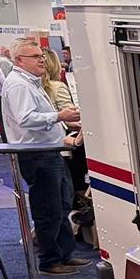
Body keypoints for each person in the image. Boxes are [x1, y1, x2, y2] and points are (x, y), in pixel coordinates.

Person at [0, 36, 87, 275]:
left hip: (49, 151)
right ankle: (50, 260)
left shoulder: (31, 82)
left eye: (41, 55)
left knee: (61, 204)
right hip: (37, 155)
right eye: (36, 56)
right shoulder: (19, 85)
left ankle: (64, 254)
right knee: (48, 208)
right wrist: (59, 116)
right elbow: (25, 119)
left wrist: (66, 124)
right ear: (19, 60)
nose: (41, 60)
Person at [44, 52, 94, 240]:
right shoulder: (58, 87)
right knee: (70, 193)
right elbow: (73, 120)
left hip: (51, 145)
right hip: (67, 146)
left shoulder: (40, 88)